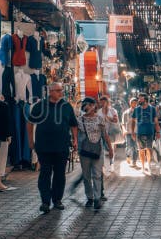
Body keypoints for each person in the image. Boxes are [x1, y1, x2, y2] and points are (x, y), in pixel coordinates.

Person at [27, 82, 78, 214]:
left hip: (62, 146)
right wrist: (30, 141)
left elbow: (73, 124)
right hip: (44, 146)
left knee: (60, 174)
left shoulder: (66, 106)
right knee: (45, 173)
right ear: (50, 92)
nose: (61, 93)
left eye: (61, 90)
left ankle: (57, 200)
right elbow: (30, 122)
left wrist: (75, 140)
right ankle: (45, 201)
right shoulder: (40, 106)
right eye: (58, 90)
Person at [78, 97, 114, 211]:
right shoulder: (79, 120)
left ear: (94, 106)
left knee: (97, 175)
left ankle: (97, 198)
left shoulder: (99, 119)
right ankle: (90, 197)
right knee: (86, 176)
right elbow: (75, 135)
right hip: (84, 152)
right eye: (85, 105)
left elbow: (105, 135)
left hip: (98, 150)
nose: (86, 107)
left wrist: (110, 148)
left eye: (89, 104)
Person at [132, 93, 161, 174]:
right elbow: (133, 121)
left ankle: (148, 164)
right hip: (139, 133)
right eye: (139, 98)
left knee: (149, 149)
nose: (139, 100)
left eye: (140, 99)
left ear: (145, 99)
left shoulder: (152, 109)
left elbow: (156, 121)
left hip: (150, 132)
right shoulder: (136, 109)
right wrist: (132, 132)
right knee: (141, 150)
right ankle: (143, 166)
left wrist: (158, 132)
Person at [98, 95, 121, 170]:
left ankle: (111, 163)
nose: (102, 104)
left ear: (107, 102)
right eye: (101, 102)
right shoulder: (99, 111)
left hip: (111, 132)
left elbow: (115, 120)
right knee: (102, 149)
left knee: (110, 148)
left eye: (104, 102)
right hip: (101, 132)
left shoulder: (113, 110)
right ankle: (104, 164)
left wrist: (106, 117)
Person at [123, 97, 139, 167]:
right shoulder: (126, 113)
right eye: (133, 103)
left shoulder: (139, 112)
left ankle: (134, 161)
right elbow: (123, 123)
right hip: (128, 132)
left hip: (136, 132)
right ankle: (128, 156)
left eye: (136, 103)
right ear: (130, 103)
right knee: (129, 146)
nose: (135, 104)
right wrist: (124, 130)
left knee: (135, 147)